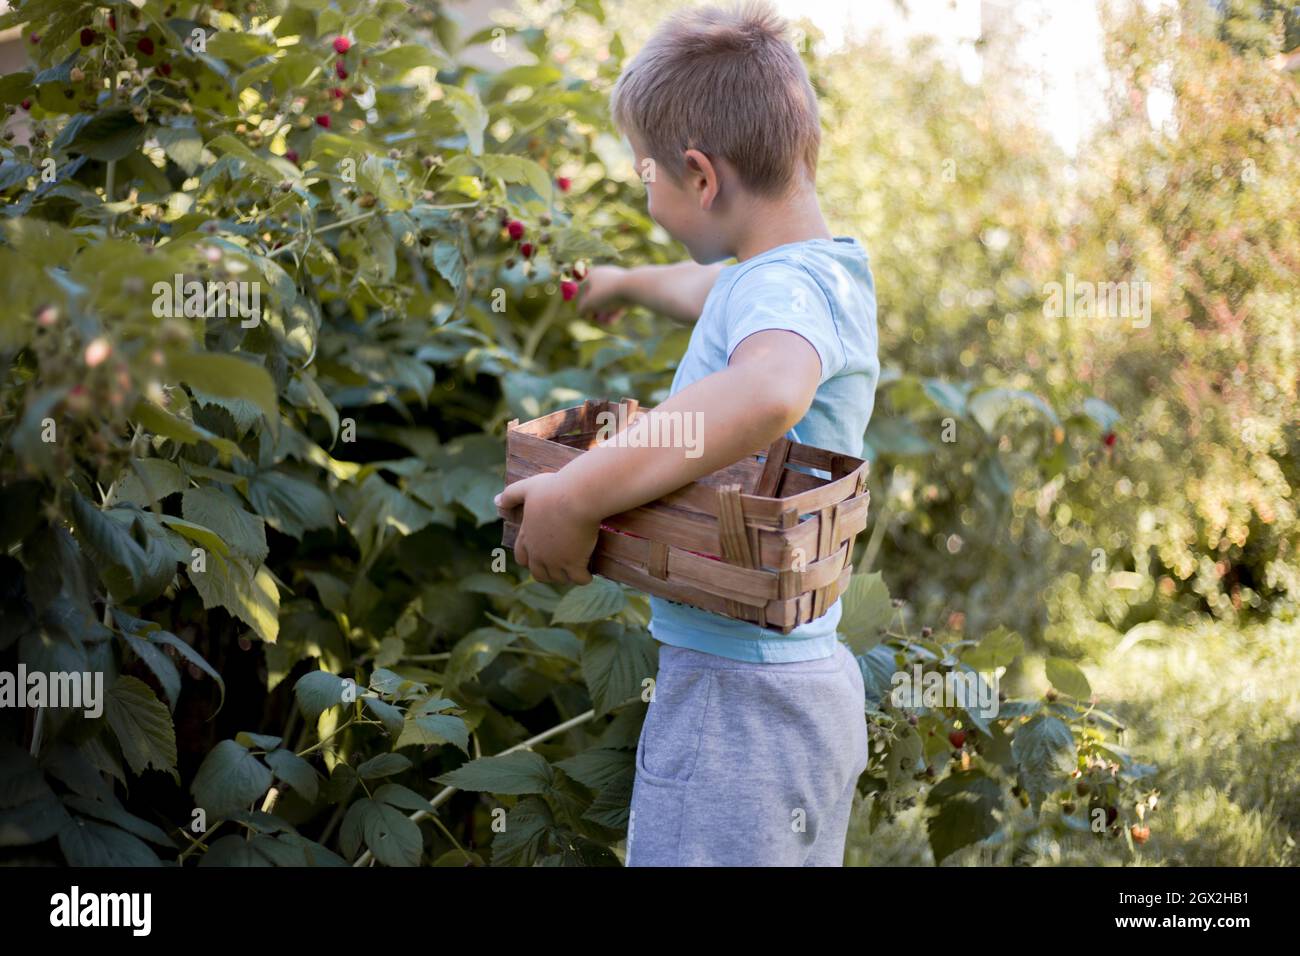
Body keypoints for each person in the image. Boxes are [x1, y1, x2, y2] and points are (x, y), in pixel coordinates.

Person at [494, 0, 880, 866]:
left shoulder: (773, 305)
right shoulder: (819, 272)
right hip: (802, 694)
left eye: (646, 176)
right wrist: (627, 281)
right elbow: (710, 292)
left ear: (701, 178)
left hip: (735, 706)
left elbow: (770, 389)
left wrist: (573, 492)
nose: (645, 192)